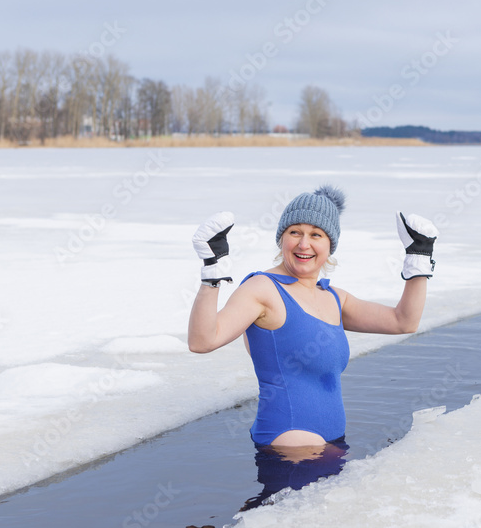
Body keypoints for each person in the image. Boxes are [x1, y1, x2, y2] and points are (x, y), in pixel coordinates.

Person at [188, 184, 438, 457]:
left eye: (316, 234)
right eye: (295, 232)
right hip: (289, 447)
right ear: (281, 238)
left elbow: (403, 322)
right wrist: (212, 275)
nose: (304, 244)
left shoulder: (334, 298)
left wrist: (419, 259)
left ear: (330, 245)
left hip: (330, 445)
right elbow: (203, 341)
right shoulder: (263, 288)